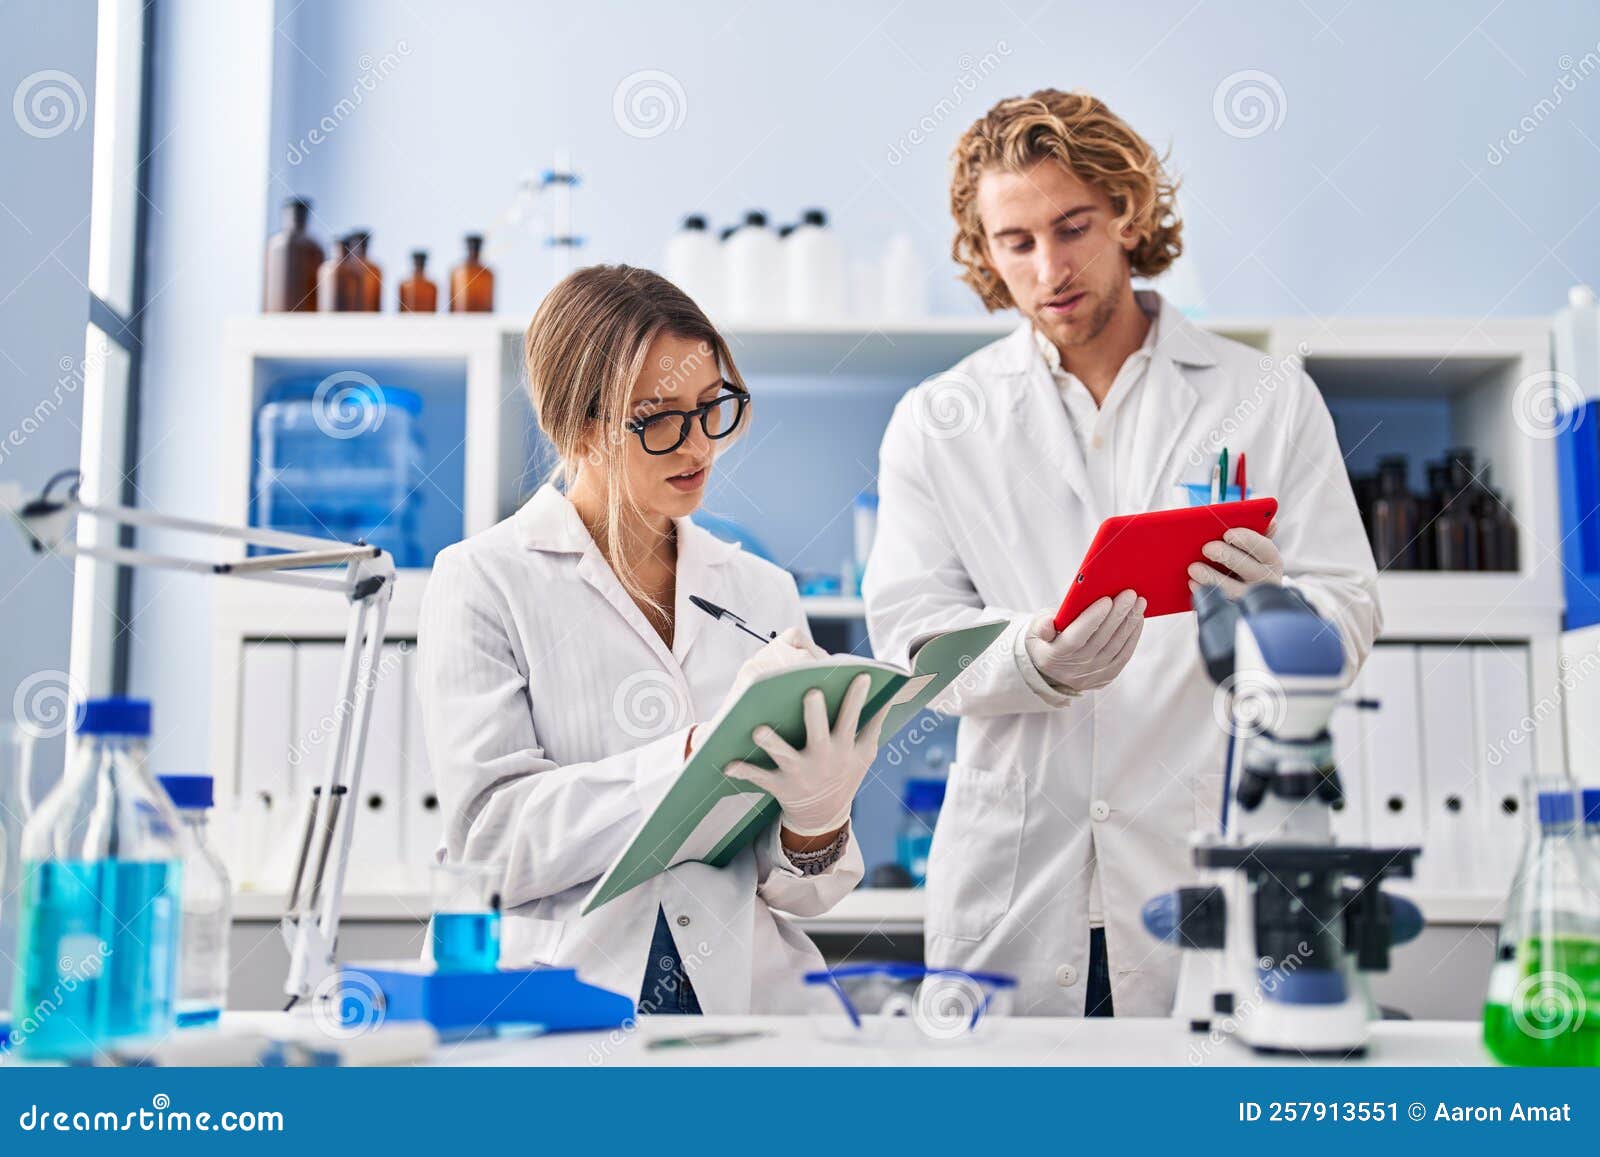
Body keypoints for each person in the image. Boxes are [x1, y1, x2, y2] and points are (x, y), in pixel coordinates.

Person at [862, 90, 1380, 1018]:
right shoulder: (939, 421)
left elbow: (1348, 607)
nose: (1049, 268)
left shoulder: (1266, 397)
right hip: (1014, 889)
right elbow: (907, 639)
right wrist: (1031, 658)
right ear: (985, 250)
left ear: (1129, 212)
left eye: (1073, 227)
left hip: (1203, 866)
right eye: (1015, 242)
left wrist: (1274, 614)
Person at [418, 265, 888, 1014]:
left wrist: (816, 817)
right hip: (562, 1000)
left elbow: (805, 891)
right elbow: (491, 843)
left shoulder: (761, 589)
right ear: (575, 427)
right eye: (659, 417)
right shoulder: (483, 578)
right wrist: (690, 756)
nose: (698, 444)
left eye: (713, 407)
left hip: (747, 1003)